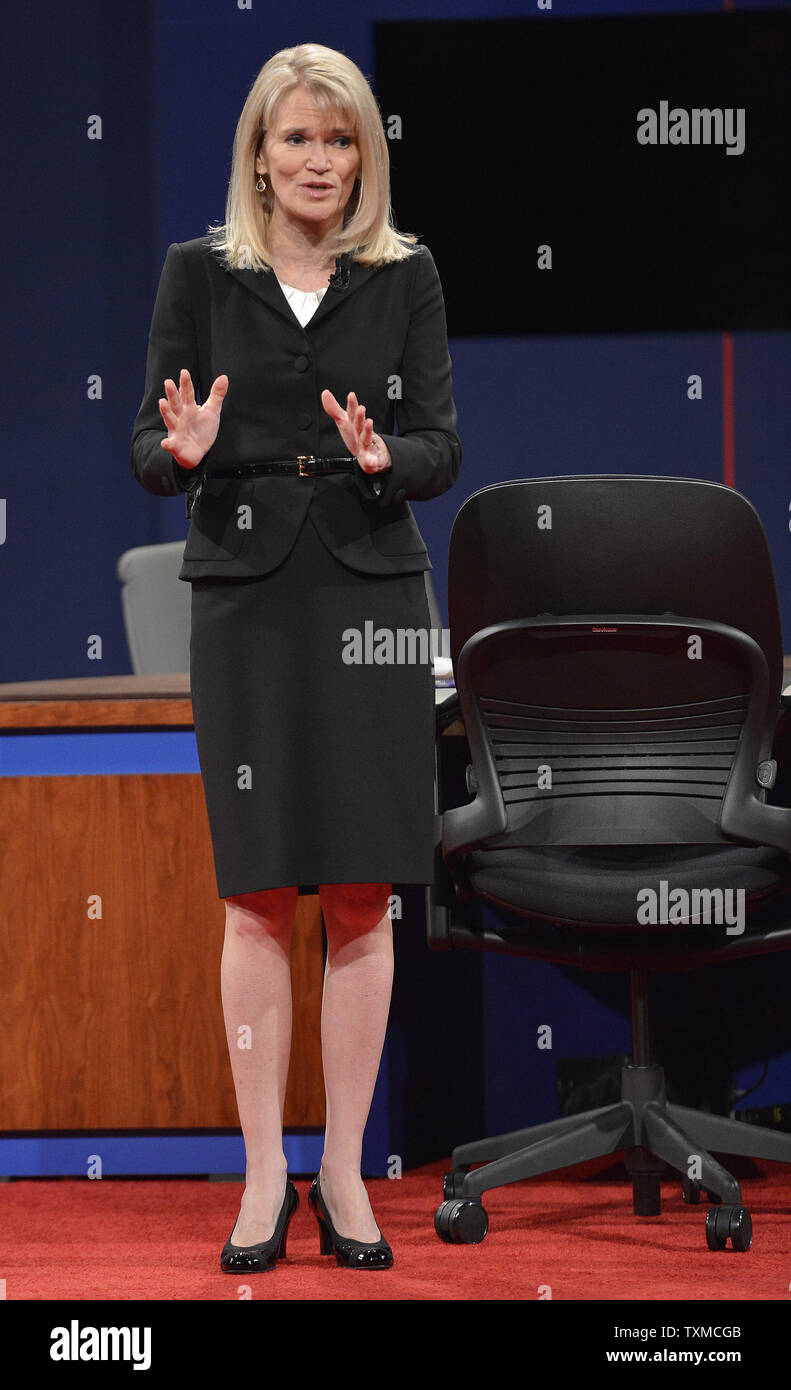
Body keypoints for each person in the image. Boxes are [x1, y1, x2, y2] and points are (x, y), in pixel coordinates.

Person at [130, 41, 461, 1272]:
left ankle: (345, 1171)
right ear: (258, 157)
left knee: (365, 892)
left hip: (372, 585)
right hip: (249, 601)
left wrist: (389, 463)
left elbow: (440, 442)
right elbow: (147, 451)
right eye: (296, 138)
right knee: (259, 893)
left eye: (338, 139)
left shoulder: (404, 273)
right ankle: (265, 1177)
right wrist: (189, 448)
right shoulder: (198, 274)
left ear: (362, 156)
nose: (317, 159)